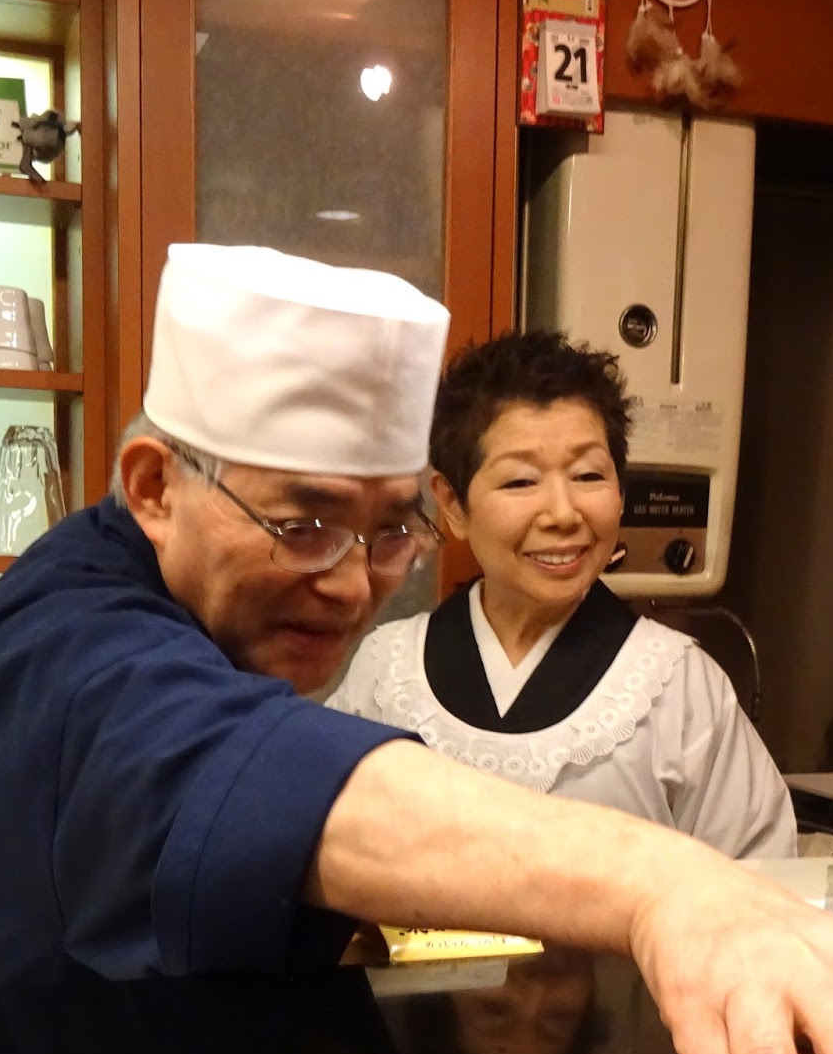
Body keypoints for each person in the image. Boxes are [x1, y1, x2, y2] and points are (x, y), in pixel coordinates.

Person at [0, 242, 833, 1054]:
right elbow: (249, 772)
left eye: (389, 529)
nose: (353, 584)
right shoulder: (74, 639)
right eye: (301, 524)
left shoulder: (666, 672)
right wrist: (666, 888)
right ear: (156, 488)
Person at [328, 330, 795, 859]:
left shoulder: (681, 688)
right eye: (521, 482)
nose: (563, 514)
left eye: (589, 474)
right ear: (453, 504)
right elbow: (340, 852)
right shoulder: (387, 674)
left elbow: (758, 878)